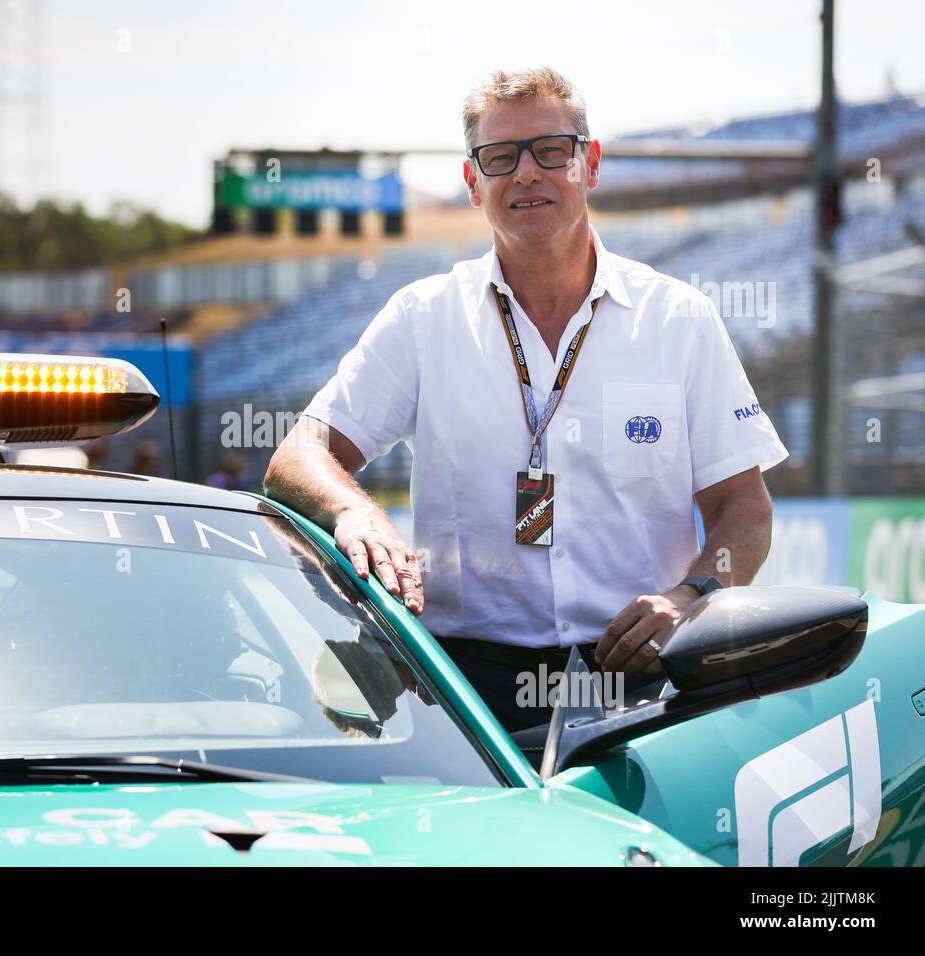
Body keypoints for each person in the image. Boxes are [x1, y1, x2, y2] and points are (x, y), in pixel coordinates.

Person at [263, 66, 788, 732]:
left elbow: (744, 508)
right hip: (463, 688)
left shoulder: (679, 319)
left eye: (550, 151)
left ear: (588, 164)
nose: (527, 174)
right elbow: (298, 455)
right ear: (472, 180)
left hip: (640, 675)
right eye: (501, 157)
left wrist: (691, 599)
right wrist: (353, 512)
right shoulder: (422, 317)